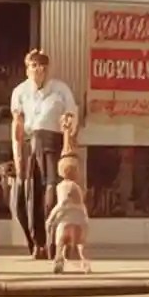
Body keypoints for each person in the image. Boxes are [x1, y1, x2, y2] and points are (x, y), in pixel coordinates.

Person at [10, 49, 78, 260]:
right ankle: (36, 242)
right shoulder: (20, 91)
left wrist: (69, 146)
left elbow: (70, 119)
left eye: (43, 65)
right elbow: (17, 126)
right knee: (27, 195)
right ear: (27, 68)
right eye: (34, 65)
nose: (39, 70)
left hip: (53, 142)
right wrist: (17, 156)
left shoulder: (60, 90)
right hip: (30, 143)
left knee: (52, 193)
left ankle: (53, 243)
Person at [46, 114, 91, 274]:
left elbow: (62, 204)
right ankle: (85, 264)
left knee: (60, 242)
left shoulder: (62, 186)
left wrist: (51, 218)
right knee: (81, 247)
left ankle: (59, 260)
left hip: (65, 220)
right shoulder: (78, 187)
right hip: (79, 219)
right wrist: (86, 220)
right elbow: (82, 206)